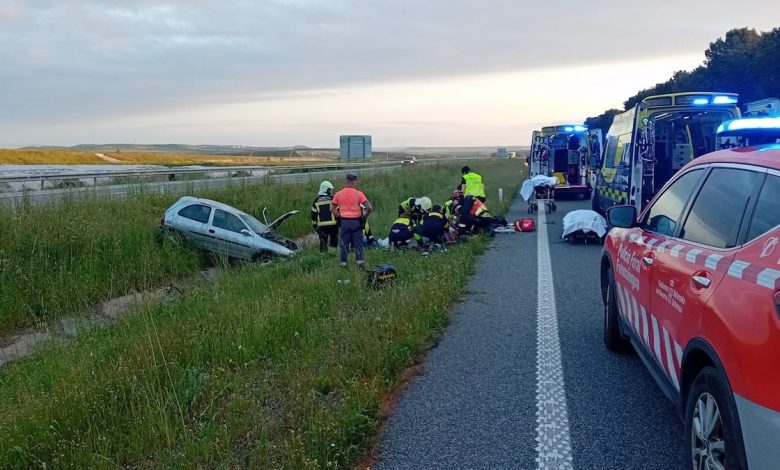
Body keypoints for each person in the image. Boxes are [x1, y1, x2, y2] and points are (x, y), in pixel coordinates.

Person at [331, 173, 372, 268]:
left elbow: (332, 208)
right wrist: (364, 217)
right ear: (355, 181)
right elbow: (369, 207)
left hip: (344, 222)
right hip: (356, 222)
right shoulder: (359, 194)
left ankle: (343, 264)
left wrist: (339, 217)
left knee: (344, 245)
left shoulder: (339, 194)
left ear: (346, 180)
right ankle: (360, 264)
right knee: (358, 244)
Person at [311, 180, 338, 253]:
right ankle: (332, 256)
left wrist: (314, 225)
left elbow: (313, 214)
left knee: (323, 242)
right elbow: (338, 211)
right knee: (334, 241)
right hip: (333, 225)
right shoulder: (333, 199)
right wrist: (340, 222)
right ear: (327, 189)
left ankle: (323, 257)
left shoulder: (316, 201)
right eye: (330, 189)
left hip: (322, 226)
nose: (331, 191)